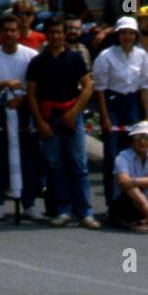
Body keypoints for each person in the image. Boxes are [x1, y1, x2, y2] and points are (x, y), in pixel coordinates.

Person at [27, 15, 97, 227]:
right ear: (46, 36)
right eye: (52, 33)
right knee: (55, 166)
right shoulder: (37, 62)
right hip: (49, 117)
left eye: (59, 32)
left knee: (79, 165)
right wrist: (39, 122)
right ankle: (63, 209)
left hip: (71, 115)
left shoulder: (74, 58)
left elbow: (87, 86)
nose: (56, 37)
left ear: (64, 35)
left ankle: (85, 212)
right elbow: (31, 94)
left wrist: (74, 113)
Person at [0, 12, 42, 221]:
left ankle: (29, 203)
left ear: (18, 32)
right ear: (0, 33)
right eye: (5, 30)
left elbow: (34, 87)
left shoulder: (31, 56)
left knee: (28, 160)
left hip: (23, 113)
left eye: (13, 30)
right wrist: (5, 84)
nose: (9, 34)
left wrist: (20, 99)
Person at [92, 15, 148, 205]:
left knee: (132, 152)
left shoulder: (141, 56)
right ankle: (112, 200)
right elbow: (99, 89)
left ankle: (131, 201)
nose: (127, 37)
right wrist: (105, 116)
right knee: (112, 155)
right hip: (112, 102)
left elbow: (143, 87)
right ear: (118, 35)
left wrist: (147, 115)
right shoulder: (106, 56)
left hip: (132, 103)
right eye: (123, 33)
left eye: (130, 33)